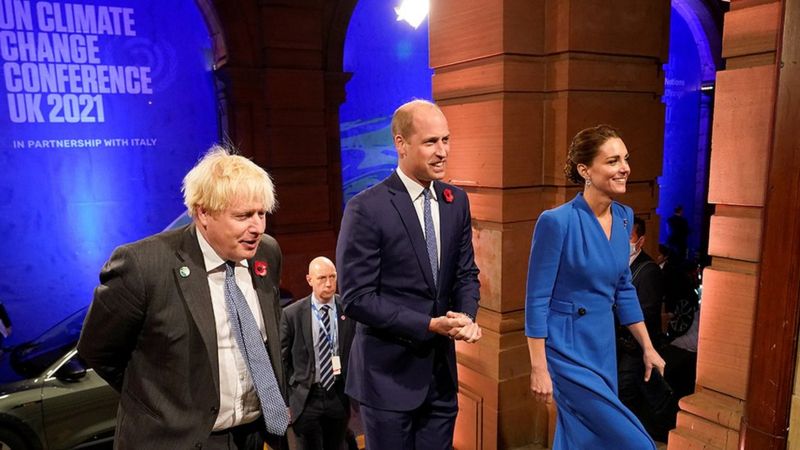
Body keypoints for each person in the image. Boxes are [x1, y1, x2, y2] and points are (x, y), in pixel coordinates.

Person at [78, 145, 289, 449]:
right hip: (172, 440)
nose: (257, 227)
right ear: (203, 213)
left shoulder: (267, 252)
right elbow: (98, 350)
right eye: (243, 216)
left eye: (261, 214)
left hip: (250, 438)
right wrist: (162, 403)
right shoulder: (143, 265)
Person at [336, 99, 482, 450]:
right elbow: (357, 298)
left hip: (441, 377)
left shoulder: (456, 201)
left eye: (446, 140)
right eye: (431, 142)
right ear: (400, 144)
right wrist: (428, 325)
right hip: (386, 381)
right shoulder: (366, 208)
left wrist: (465, 316)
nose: (442, 151)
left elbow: (466, 274)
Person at [525, 125, 665, 449]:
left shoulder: (626, 217)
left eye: (625, 159)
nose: (625, 168)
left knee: (581, 439)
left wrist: (647, 346)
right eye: (613, 160)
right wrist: (538, 367)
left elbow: (624, 288)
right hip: (566, 348)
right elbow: (536, 300)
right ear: (585, 170)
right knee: (637, 444)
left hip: (602, 345)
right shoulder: (556, 221)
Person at [281, 256, 355, 450]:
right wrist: (287, 398)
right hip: (306, 398)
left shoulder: (348, 309)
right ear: (309, 280)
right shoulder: (292, 314)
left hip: (338, 395)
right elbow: (282, 361)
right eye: (322, 278)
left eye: (333, 277)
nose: (329, 283)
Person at [617, 217, 676, 442]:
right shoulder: (618, 266)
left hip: (634, 349)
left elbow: (647, 312)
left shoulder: (648, 270)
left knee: (626, 392)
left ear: (640, 241)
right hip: (618, 346)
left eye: (629, 237)